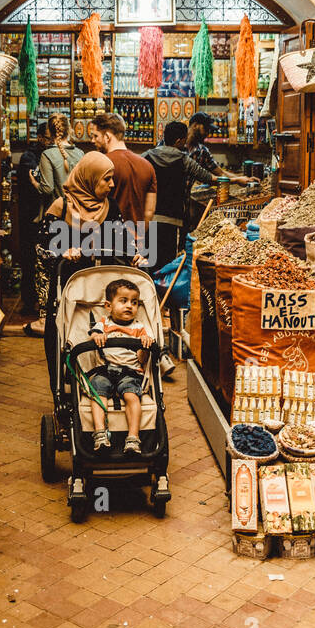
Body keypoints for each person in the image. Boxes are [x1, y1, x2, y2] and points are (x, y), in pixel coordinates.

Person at [36, 152, 120, 376]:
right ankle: (60, 389)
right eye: (107, 179)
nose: (112, 184)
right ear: (89, 177)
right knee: (61, 336)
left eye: (111, 178)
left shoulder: (110, 207)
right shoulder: (60, 207)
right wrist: (63, 251)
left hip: (100, 287)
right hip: (67, 285)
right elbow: (43, 247)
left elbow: (123, 242)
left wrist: (135, 256)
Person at [143, 121, 226, 269]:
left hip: (149, 219)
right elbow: (209, 178)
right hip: (174, 221)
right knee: (168, 264)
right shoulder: (183, 160)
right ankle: (165, 290)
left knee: (149, 261)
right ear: (179, 141)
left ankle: (151, 290)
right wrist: (238, 180)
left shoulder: (147, 156)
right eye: (185, 138)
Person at [84, 278, 154, 455]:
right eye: (123, 301)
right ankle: (100, 433)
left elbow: (142, 359)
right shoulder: (104, 323)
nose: (129, 306)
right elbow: (94, 335)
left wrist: (144, 346)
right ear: (109, 306)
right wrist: (97, 337)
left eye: (134, 302)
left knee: (132, 397)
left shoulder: (140, 328)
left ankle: (133, 438)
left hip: (130, 373)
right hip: (105, 370)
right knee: (98, 394)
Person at [88, 112, 155, 267]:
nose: (92, 140)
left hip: (107, 246)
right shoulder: (147, 165)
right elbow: (149, 212)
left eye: (95, 136)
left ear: (107, 137)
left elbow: (93, 208)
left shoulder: (101, 165)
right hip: (137, 248)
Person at [16, 131, 49, 325]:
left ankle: (42, 302)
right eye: (47, 139)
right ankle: (29, 302)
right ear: (41, 138)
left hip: (43, 217)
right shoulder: (29, 157)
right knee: (29, 260)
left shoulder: (46, 157)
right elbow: (40, 183)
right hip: (30, 217)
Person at [34, 113, 84, 206]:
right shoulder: (80, 153)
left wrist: (34, 182)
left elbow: (47, 189)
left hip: (57, 212)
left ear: (49, 131)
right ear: (69, 130)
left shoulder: (47, 155)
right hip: (78, 210)